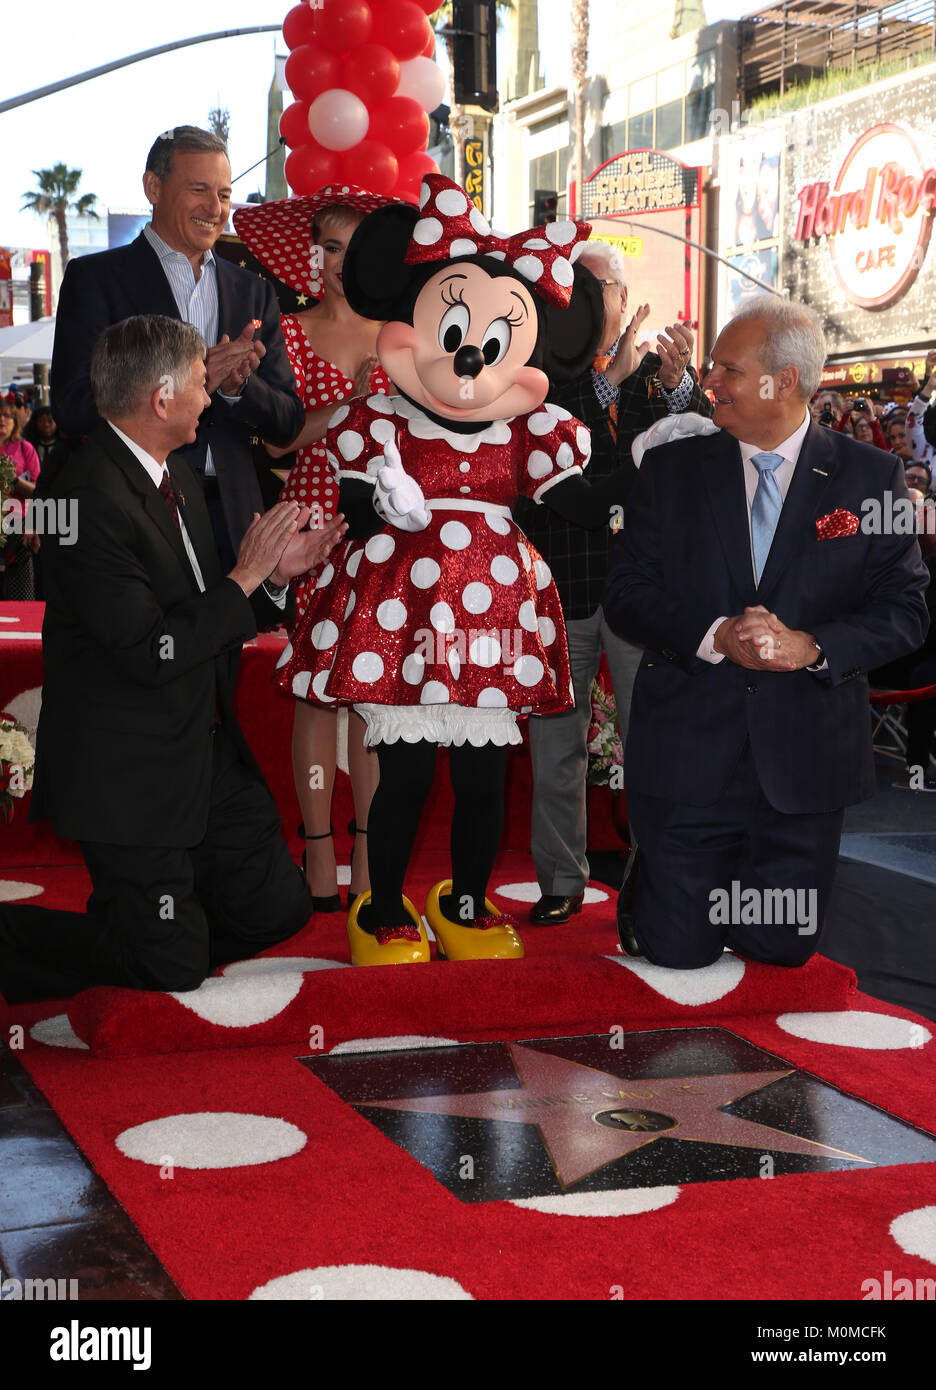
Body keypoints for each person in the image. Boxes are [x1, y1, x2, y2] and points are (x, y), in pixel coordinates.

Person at [274, 174, 616, 966]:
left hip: (494, 615)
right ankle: (385, 902)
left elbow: (581, 506)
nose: (470, 353)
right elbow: (356, 508)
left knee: (484, 776)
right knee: (408, 771)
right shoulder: (381, 417)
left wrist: (652, 462)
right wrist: (382, 498)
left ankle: (463, 898)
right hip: (408, 610)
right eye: (456, 328)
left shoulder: (532, 429)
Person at [0, 315, 346, 1003]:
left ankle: (150, 923)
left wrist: (275, 577)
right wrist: (247, 579)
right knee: (171, 968)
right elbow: (149, 649)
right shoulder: (81, 494)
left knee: (280, 912)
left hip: (203, 749)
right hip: (129, 774)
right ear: (161, 400)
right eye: (198, 384)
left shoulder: (177, 475)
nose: (209, 397)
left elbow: (205, 612)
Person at [603, 296, 929, 969]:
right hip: (689, 755)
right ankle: (654, 889)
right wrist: (716, 634)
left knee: (779, 952)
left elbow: (906, 610)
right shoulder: (671, 471)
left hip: (805, 767)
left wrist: (814, 646)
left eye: (726, 367)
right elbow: (626, 596)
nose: (708, 380)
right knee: (677, 955)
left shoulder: (871, 478)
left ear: (781, 382)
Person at [513, 238, 713, 925]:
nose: (590, 304)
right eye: (579, 292)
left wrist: (681, 380)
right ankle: (561, 883)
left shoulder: (661, 373)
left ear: (626, 299)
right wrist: (608, 378)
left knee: (654, 744)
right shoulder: (540, 373)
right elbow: (548, 448)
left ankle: (656, 879)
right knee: (555, 746)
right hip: (562, 586)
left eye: (602, 291)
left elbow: (709, 444)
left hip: (646, 594)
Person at [234, 187, 399, 907]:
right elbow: (278, 435)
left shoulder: (405, 331)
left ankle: (368, 850)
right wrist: (352, 402)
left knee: (369, 696)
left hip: (388, 528)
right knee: (315, 696)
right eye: (328, 246)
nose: (338, 262)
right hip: (311, 524)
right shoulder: (288, 332)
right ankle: (317, 848)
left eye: (353, 248)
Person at [50, 125, 304, 569]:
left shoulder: (252, 292)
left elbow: (288, 422)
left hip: (233, 522)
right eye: (199, 190)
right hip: (132, 515)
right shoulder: (96, 279)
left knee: (226, 640)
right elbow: (73, 409)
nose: (215, 208)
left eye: (224, 194)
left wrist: (237, 389)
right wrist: (193, 373)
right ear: (153, 187)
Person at [0, 395, 41, 599]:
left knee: (20, 595)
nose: (2, 419)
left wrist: (14, 479)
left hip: (19, 526)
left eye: (7, 416)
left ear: (15, 421)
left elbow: (39, 491)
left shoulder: (25, 449)